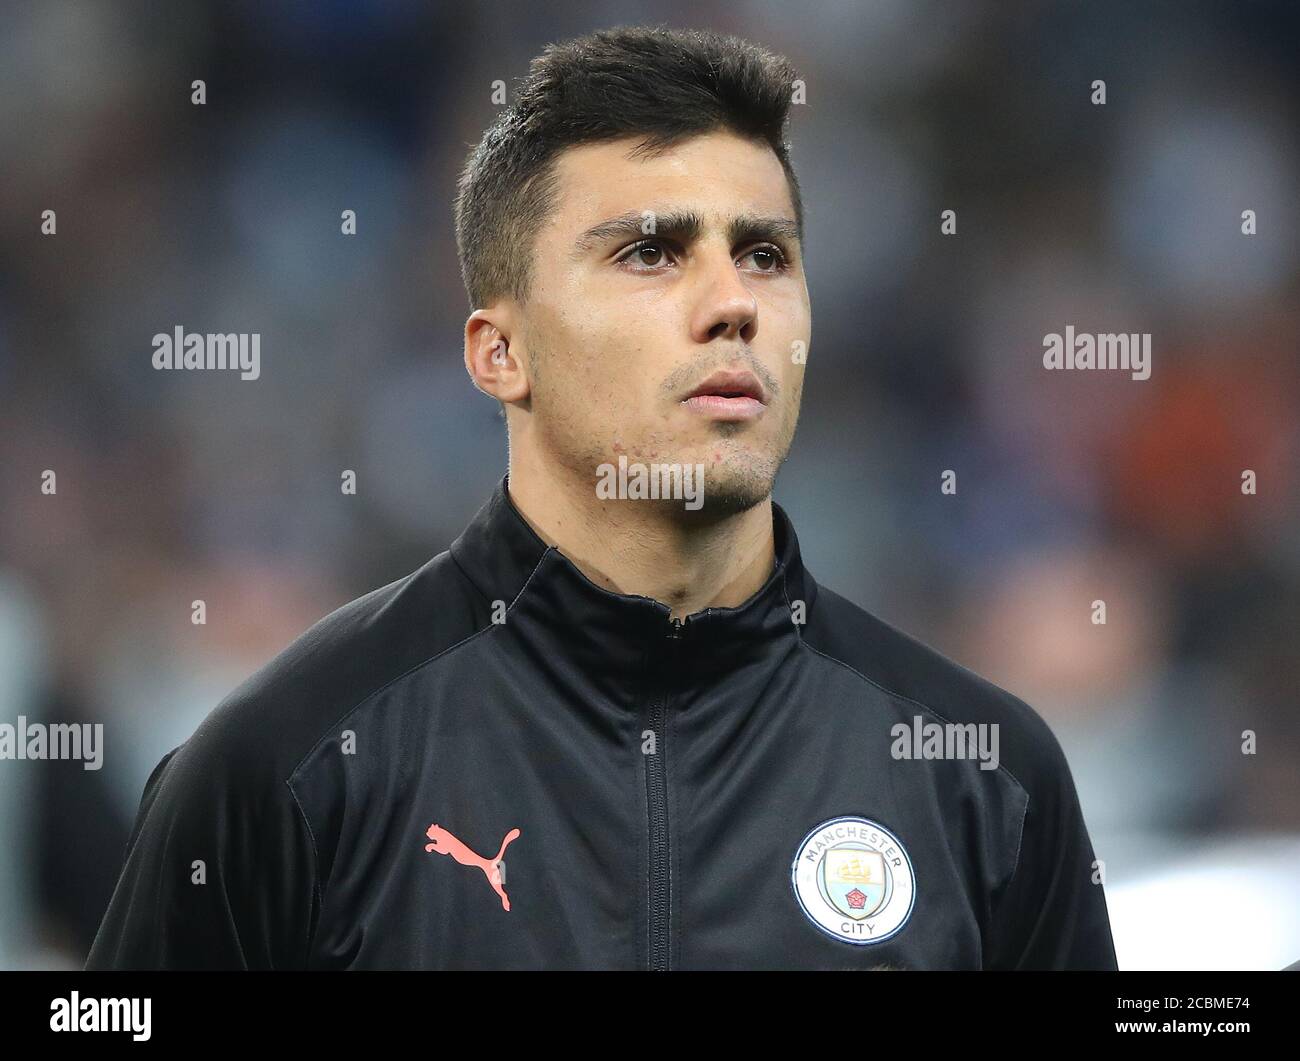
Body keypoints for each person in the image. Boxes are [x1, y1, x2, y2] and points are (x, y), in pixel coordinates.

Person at [85, 25, 1117, 970]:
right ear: (501, 352)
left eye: (765, 254)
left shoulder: (984, 776)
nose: (732, 305)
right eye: (650, 252)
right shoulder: (286, 765)